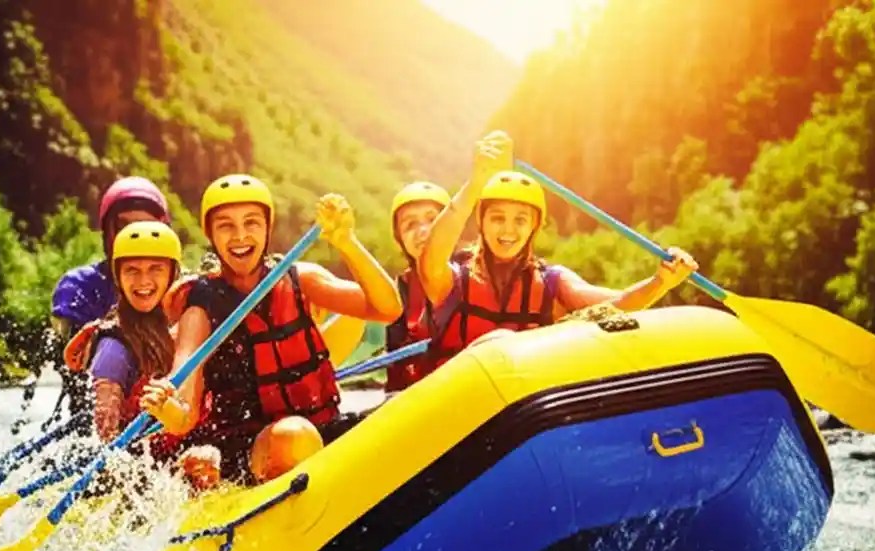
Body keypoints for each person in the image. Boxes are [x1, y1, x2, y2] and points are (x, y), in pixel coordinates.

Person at [139, 173, 403, 486]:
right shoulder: (201, 307)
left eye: (251, 222)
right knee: (294, 436)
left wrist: (347, 243)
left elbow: (388, 309)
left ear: (267, 229)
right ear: (210, 234)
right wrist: (167, 408)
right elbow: (184, 411)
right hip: (249, 450)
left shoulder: (301, 279)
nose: (240, 236)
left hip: (321, 429)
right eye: (226, 225)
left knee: (399, 414)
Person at [416, 131, 701, 366]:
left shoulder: (552, 282)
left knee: (504, 341)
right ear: (481, 222)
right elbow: (430, 256)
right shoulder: (454, 281)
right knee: (498, 339)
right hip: (458, 407)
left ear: (534, 227)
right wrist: (476, 183)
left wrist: (661, 282)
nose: (508, 230)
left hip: (514, 414)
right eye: (497, 218)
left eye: (520, 220)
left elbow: (617, 303)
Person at [61, 220, 221, 493]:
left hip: (192, 446)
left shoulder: (184, 316)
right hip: (146, 472)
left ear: (173, 273)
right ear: (119, 278)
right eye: (132, 270)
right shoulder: (114, 345)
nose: (143, 281)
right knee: (200, 460)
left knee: (206, 457)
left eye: (155, 269)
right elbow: (106, 432)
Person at [49, 177, 173, 423]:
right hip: (94, 413)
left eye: (147, 227)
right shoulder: (78, 285)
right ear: (107, 232)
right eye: (124, 227)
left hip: (162, 413)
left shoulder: (177, 289)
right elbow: (72, 357)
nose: (137, 236)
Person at [383, 181, 452, 394]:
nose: (423, 231)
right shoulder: (400, 291)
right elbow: (396, 380)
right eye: (410, 225)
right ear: (400, 239)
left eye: (433, 220)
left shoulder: (480, 275)